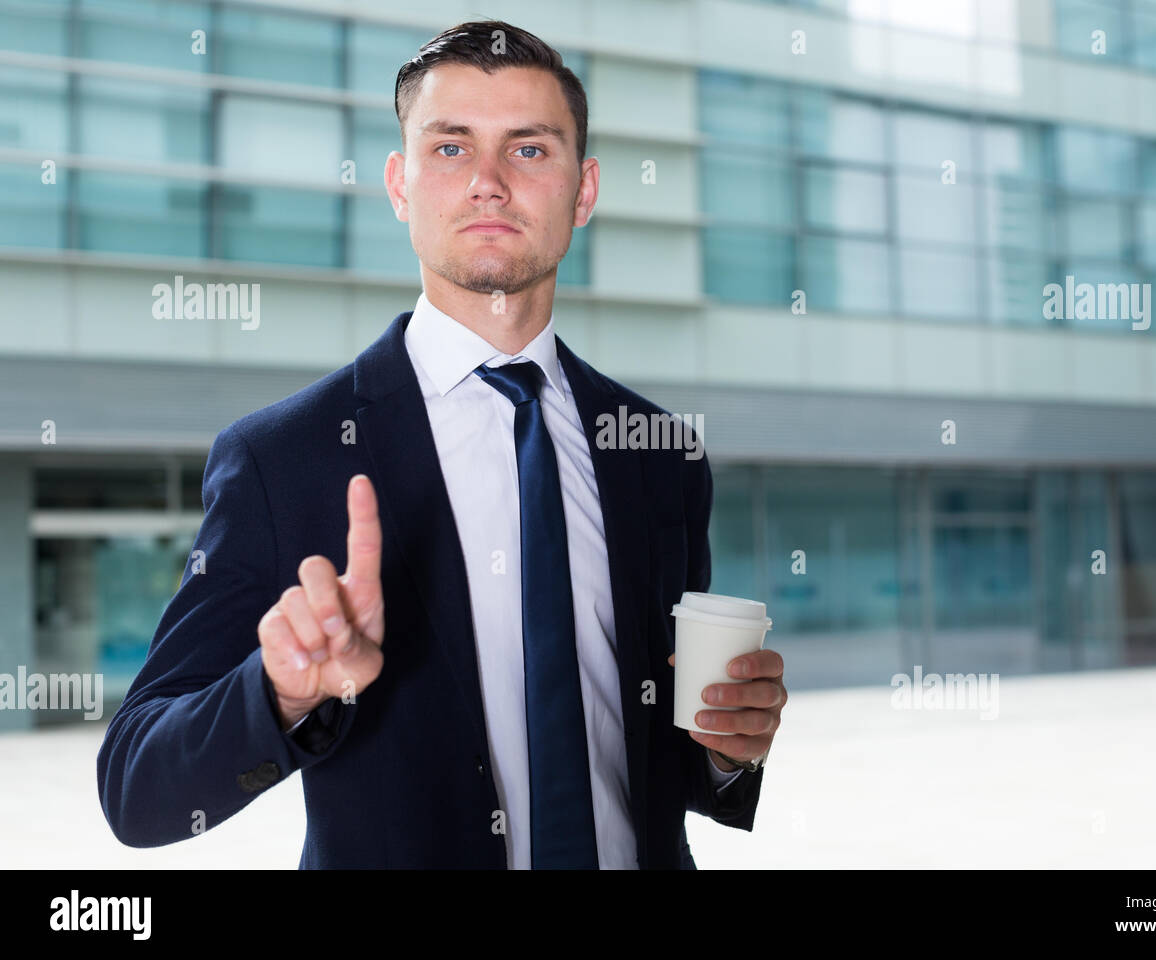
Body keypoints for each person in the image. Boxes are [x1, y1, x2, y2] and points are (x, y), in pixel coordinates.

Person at [96, 19, 786, 869]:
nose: (490, 183)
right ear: (400, 184)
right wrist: (279, 693)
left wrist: (724, 746)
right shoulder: (285, 461)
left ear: (584, 190)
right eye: (451, 149)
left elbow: (645, 752)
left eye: (530, 150)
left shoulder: (659, 454)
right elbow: (135, 786)